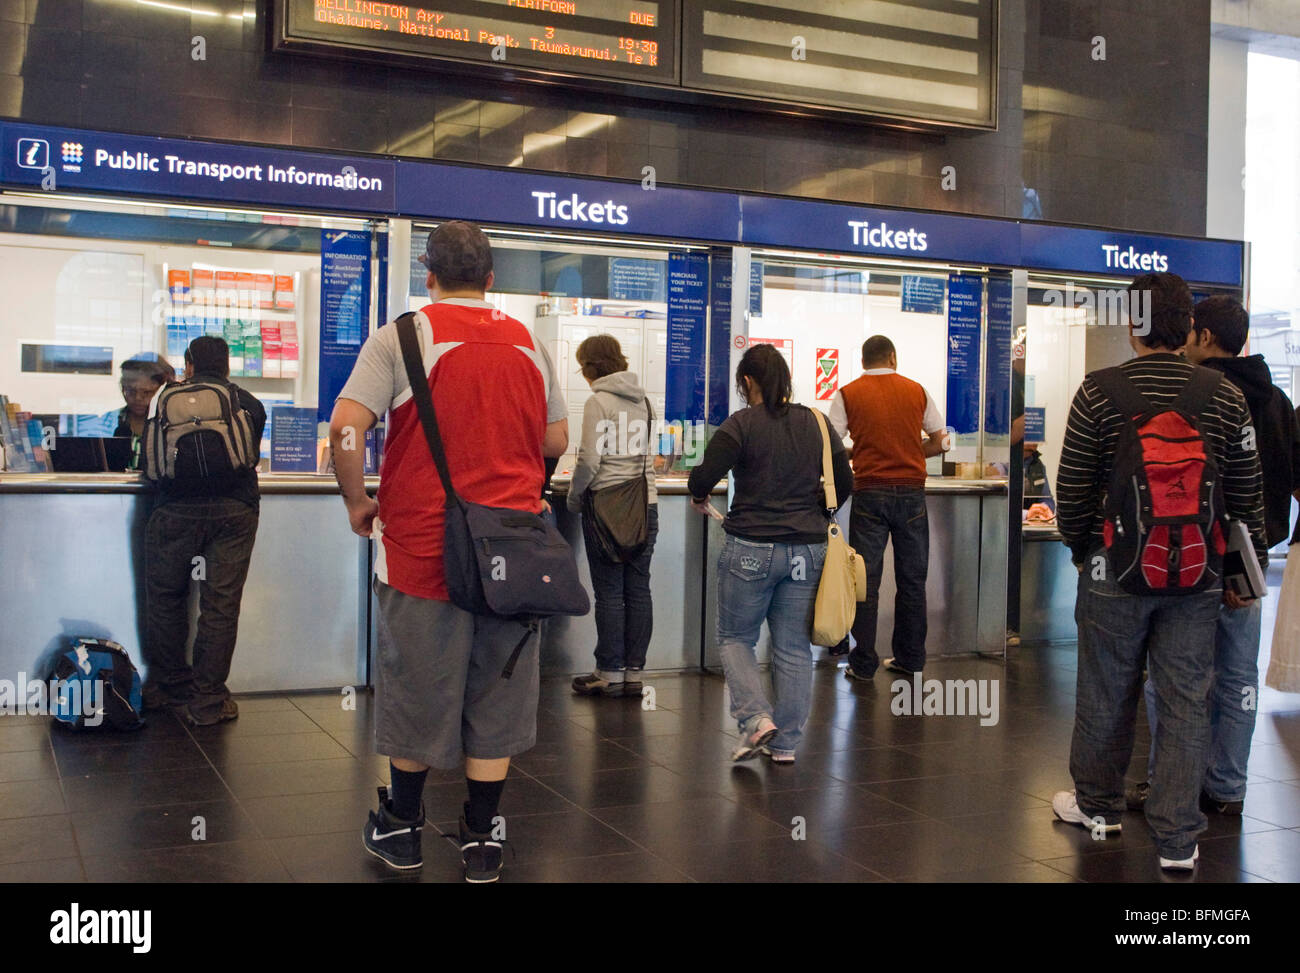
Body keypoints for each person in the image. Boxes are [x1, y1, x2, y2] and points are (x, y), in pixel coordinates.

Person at [330, 221, 568, 882]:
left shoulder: (403, 337)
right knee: (498, 689)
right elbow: (554, 440)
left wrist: (356, 500)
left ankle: (403, 827)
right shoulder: (529, 342)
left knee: (418, 683)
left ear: (428, 275)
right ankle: (482, 836)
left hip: (422, 550)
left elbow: (347, 427)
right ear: (491, 278)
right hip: (513, 554)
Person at [1052, 272, 1267, 871]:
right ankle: (1178, 838)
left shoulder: (1098, 393)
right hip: (1195, 578)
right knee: (1185, 699)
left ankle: (1098, 808)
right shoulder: (1224, 397)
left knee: (1105, 689)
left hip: (1112, 572)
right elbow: (1246, 498)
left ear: (1133, 324)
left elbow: (1072, 492)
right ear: (1187, 326)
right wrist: (1239, 576)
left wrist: (1083, 551)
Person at [1129, 295, 1300, 814]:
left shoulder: (1203, 395)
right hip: (1253, 555)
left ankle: (1168, 782)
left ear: (1202, 337)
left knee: (1175, 675)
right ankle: (1227, 786)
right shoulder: (1279, 401)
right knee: (1238, 675)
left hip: (1200, 552)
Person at [688, 343, 853, 764]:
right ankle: (785, 745)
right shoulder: (816, 422)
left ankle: (756, 718)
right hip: (807, 550)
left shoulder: (740, 425)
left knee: (736, 637)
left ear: (748, 381)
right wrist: (814, 509)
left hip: (751, 548)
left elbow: (704, 476)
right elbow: (845, 479)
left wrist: (700, 492)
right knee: (794, 647)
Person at [142, 336, 265, 725]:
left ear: (189, 365)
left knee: (166, 597)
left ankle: (172, 684)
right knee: (220, 605)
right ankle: (208, 701)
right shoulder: (247, 402)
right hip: (234, 511)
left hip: (174, 509)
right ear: (228, 367)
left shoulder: (165, 399)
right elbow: (249, 458)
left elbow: (148, 457)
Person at [830, 335, 947, 680]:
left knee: (866, 580)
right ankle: (910, 659)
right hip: (912, 493)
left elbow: (834, 447)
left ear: (864, 361)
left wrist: (861, 452)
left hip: (869, 493)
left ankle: (863, 663)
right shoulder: (917, 390)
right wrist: (912, 453)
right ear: (892, 357)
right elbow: (940, 440)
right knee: (912, 580)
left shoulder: (847, 393)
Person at [567, 334, 658, 699]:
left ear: (591, 367)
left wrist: (575, 498)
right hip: (645, 506)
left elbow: (589, 460)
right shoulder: (645, 401)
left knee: (609, 593)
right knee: (638, 589)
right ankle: (634, 673)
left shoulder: (597, 402)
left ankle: (608, 671)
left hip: (607, 508)